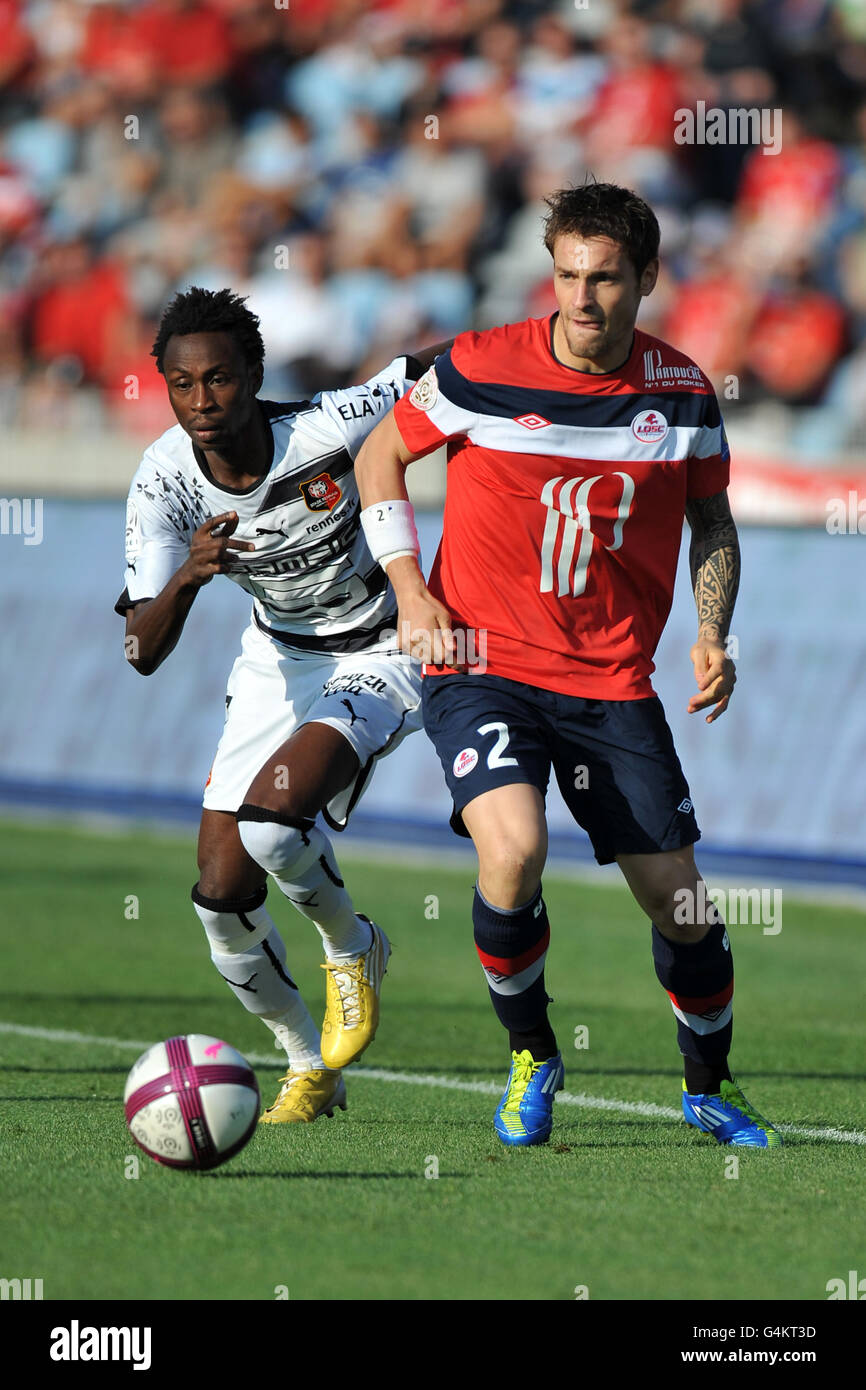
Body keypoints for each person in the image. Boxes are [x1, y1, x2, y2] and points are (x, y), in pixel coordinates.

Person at [354, 182, 782, 1149]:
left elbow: (711, 519)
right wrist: (410, 587)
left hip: (610, 680)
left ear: (647, 281)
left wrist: (714, 633)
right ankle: (532, 1055)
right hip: (480, 660)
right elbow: (381, 456)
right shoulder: (478, 368)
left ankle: (709, 1087)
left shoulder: (680, 394)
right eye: (567, 276)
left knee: (682, 906)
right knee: (512, 850)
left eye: (604, 280)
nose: (581, 299)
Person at [116, 285, 450, 1123]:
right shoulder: (164, 481)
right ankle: (309, 1066)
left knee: (272, 828)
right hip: (277, 658)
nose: (202, 401)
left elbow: (426, 365)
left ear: (256, 373)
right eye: (182, 384)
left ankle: (354, 946)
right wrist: (190, 576)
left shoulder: (327, 425)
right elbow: (141, 652)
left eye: (220, 380)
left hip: (382, 646)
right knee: (221, 897)